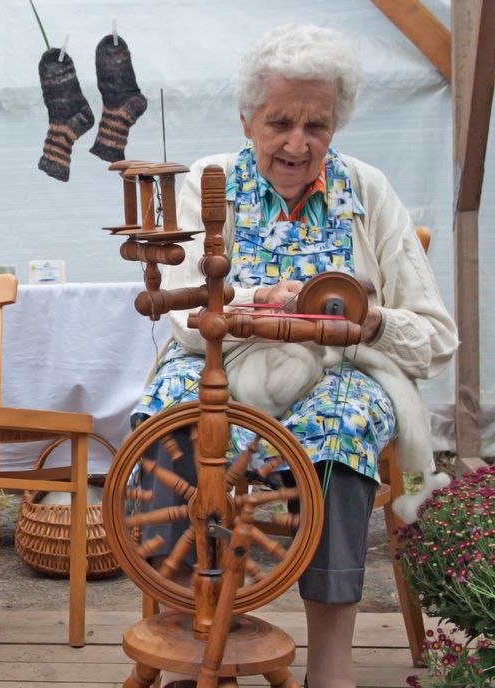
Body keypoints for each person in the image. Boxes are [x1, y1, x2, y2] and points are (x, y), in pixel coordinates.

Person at [130, 23, 457, 688]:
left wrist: (371, 322)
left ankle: (330, 668)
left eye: (318, 125)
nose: (297, 143)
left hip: (340, 371)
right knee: (173, 407)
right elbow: (191, 323)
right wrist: (261, 301)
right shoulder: (204, 184)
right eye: (280, 121)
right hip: (220, 361)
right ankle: (183, 631)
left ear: (337, 125)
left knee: (344, 422)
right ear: (247, 117)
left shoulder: (366, 192)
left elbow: (435, 336)